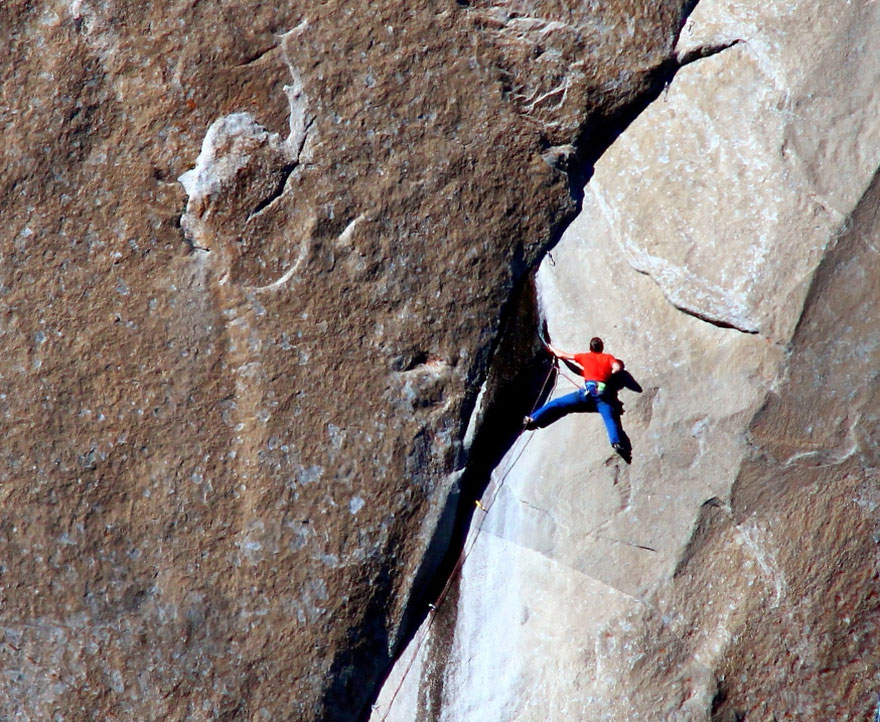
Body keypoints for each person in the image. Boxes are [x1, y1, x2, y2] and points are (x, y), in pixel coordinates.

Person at [525, 336, 629, 458]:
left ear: (590, 348)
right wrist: (610, 373)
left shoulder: (585, 356)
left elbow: (563, 355)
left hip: (587, 392)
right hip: (603, 394)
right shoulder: (608, 358)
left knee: (558, 403)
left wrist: (551, 348)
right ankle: (616, 443)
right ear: (602, 347)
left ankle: (532, 419)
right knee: (609, 418)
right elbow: (617, 367)